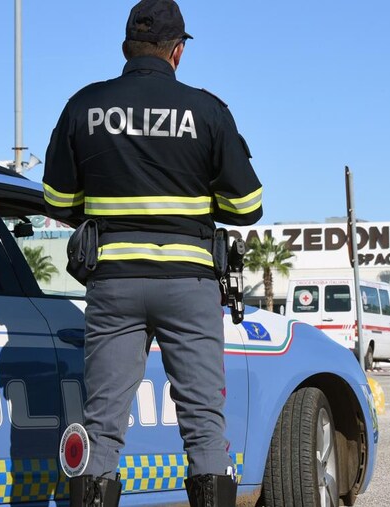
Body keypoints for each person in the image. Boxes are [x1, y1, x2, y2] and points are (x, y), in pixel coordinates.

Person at [43, 1, 263, 505]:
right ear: (177, 51)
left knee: (103, 423)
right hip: (189, 283)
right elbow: (247, 206)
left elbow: (56, 200)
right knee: (203, 422)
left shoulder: (84, 106)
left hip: (114, 282)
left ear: (127, 48)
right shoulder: (207, 111)